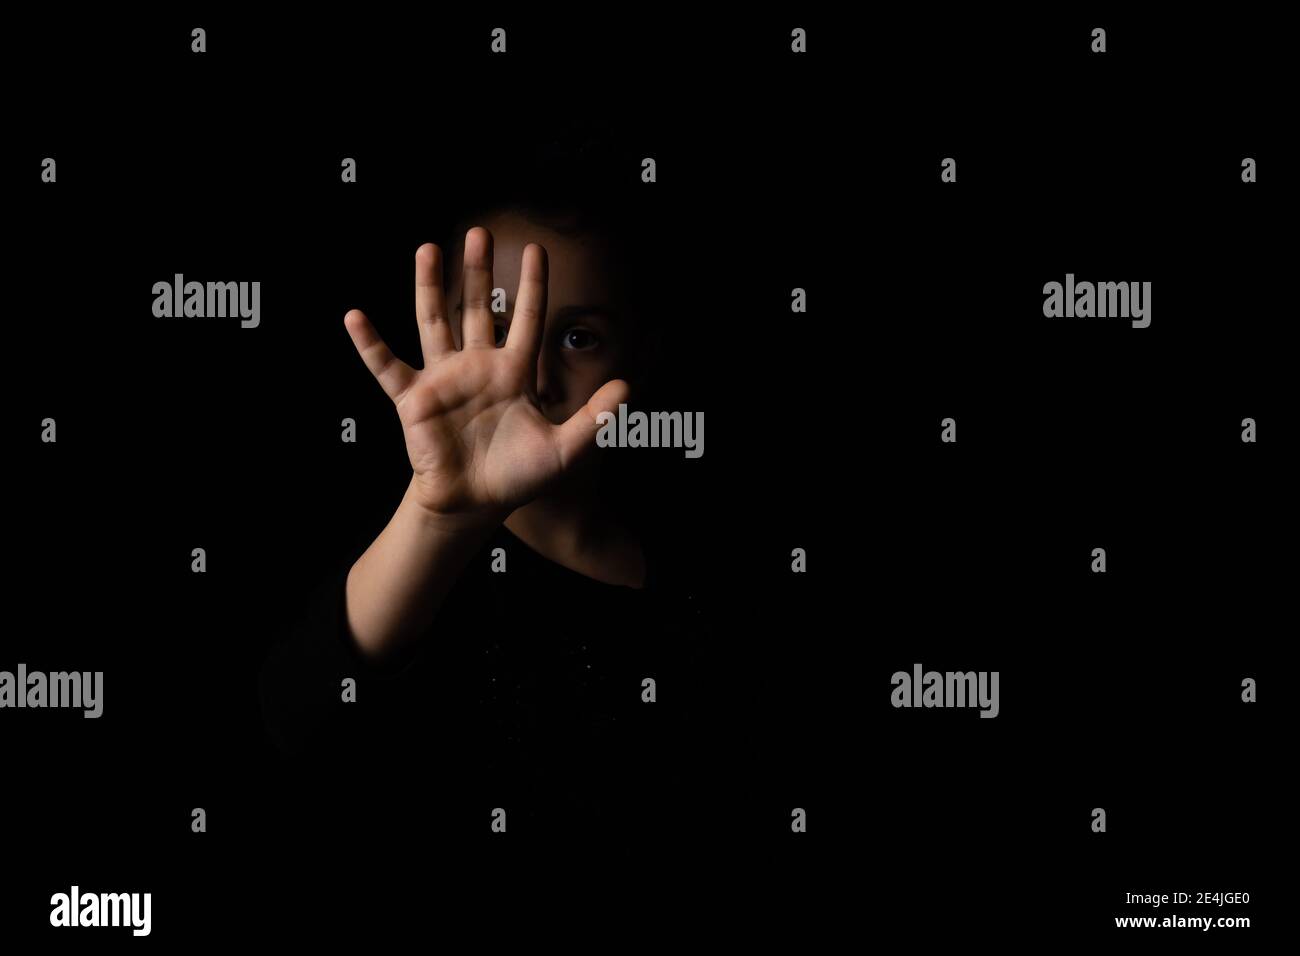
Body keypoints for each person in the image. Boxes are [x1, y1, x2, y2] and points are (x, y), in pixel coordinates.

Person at [258, 192, 714, 843]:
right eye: (495, 331)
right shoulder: (425, 568)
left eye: (580, 338)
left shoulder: (685, 548)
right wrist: (439, 516)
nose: (525, 374)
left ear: (641, 354)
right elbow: (297, 715)